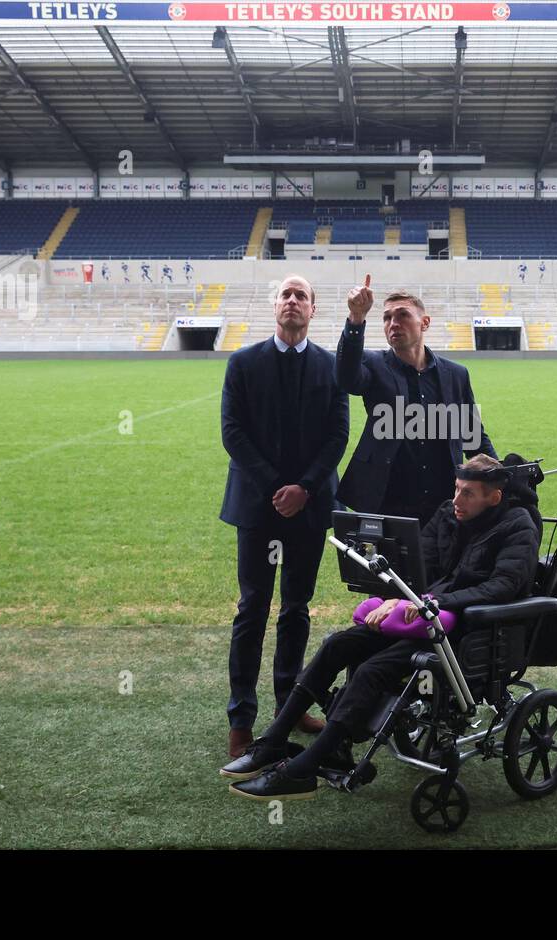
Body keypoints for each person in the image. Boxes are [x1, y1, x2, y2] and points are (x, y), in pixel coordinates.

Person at [220, 454, 539, 800]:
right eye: (457, 489)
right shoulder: (449, 513)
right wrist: (397, 598)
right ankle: (272, 742)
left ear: (494, 497)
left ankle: (302, 770)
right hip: (419, 618)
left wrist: (431, 603)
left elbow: (503, 586)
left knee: (372, 670)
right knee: (336, 645)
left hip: (463, 633)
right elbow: (418, 570)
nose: (457, 500)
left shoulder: (518, 525)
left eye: (469, 494)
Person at [219, 275, 350, 758]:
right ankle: (241, 718)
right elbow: (233, 433)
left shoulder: (332, 367)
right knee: (252, 610)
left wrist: (306, 488)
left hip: (309, 510)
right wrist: (279, 487)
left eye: (302, 296)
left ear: (313, 310)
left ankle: (288, 708)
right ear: (274, 306)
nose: (293, 301)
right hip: (258, 507)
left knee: (297, 608)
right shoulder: (243, 363)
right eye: (286, 295)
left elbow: (338, 436)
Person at [336, 276, 498, 526]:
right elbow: (347, 379)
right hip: (384, 497)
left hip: (443, 500)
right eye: (387, 318)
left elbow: (472, 435)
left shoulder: (456, 374)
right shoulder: (373, 364)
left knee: (440, 564)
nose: (393, 323)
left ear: (425, 323)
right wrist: (356, 318)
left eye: (402, 315)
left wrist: (500, 475)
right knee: (383, 566)